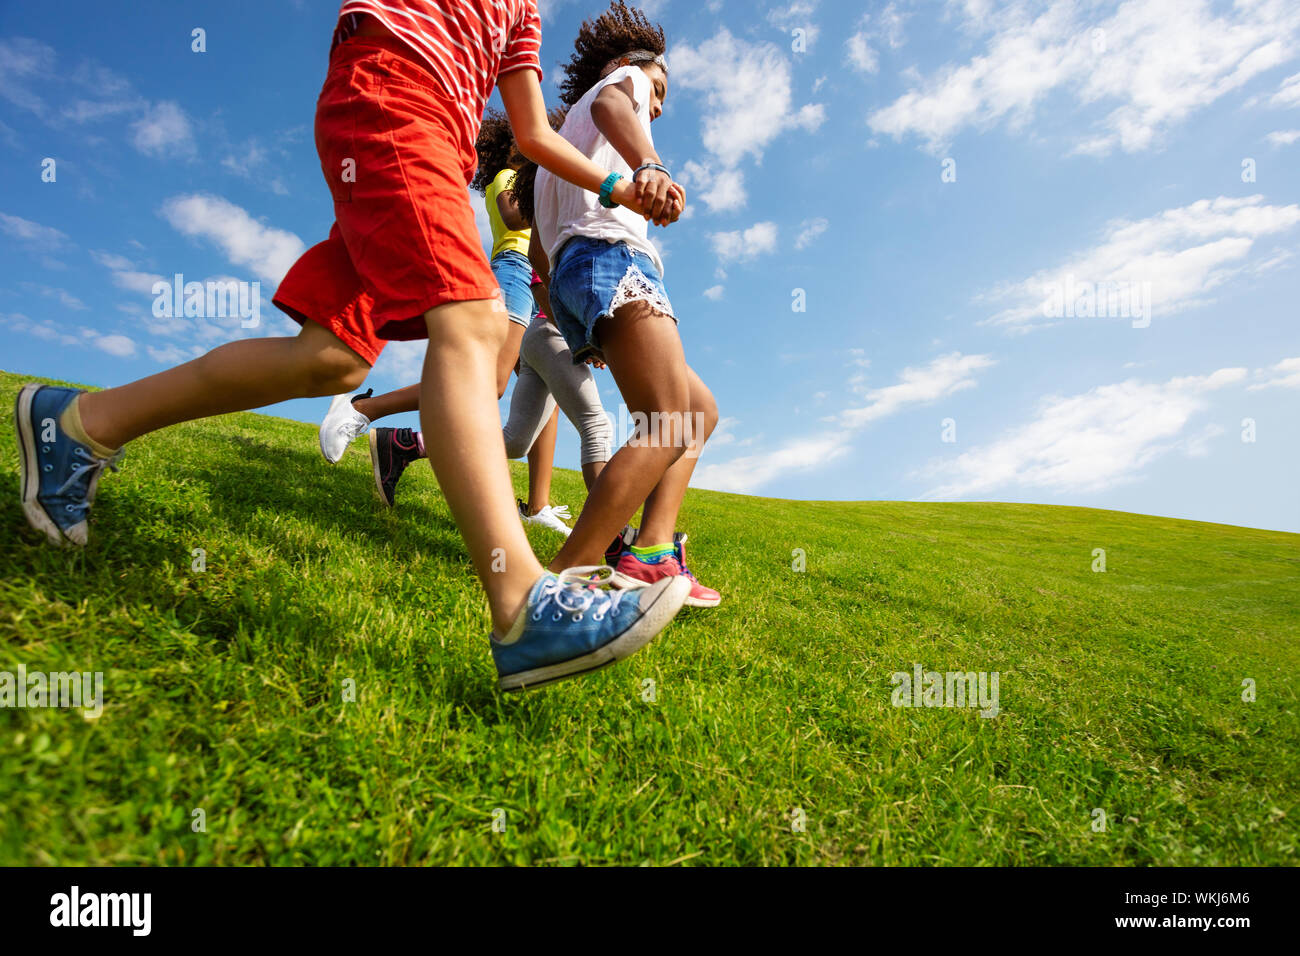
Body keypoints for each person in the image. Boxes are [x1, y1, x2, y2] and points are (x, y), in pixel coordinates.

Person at [14, 2, 691, 691]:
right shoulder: (615, 77)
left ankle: (77, 426)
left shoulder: (523, 14)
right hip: (389, 98)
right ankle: (523, 603)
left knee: (331, 354)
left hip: (430, 148)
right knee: (474, 321)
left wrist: (616, 185)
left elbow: (534, 133)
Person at [521, 1, 721, 608]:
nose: (654, 105)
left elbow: (536, 250)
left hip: (579, 279)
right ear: (625, 64)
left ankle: (654, 551)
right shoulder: (620, 83)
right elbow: (616, 106)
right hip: (614, 260)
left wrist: (581, 318)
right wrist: (650, 162)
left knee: (700, 412)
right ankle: (556, 584)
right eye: (658, 91)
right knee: (667, 421)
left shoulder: (558, 147)